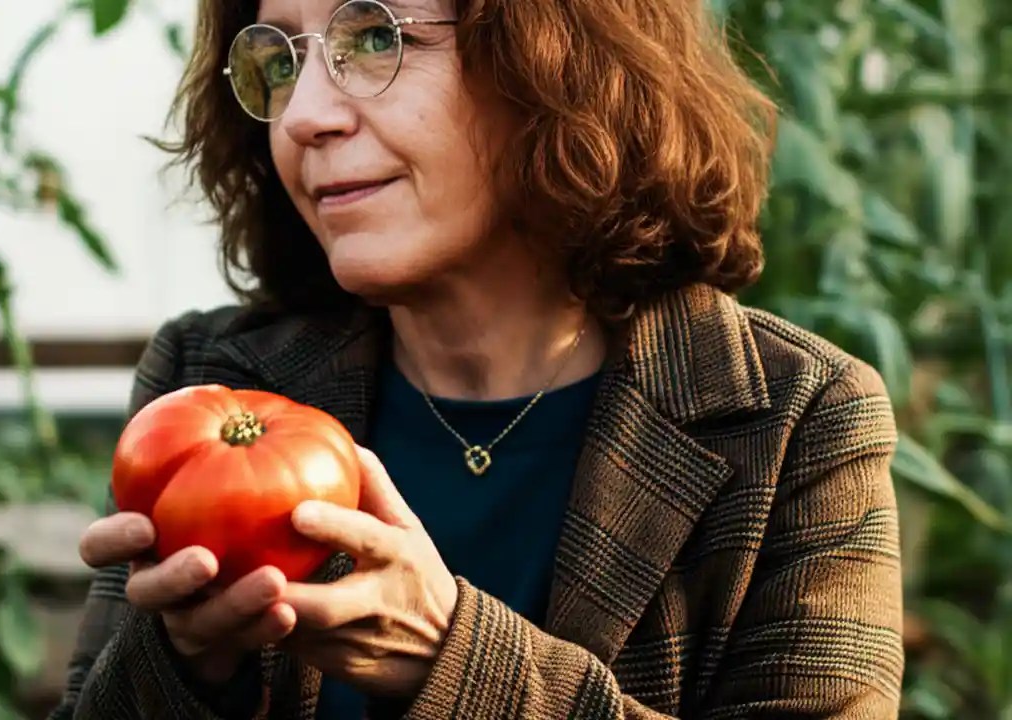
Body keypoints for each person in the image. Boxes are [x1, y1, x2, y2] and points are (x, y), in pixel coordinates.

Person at [51, 0, 904, 717]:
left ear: (563, 64)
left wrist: (454, 662)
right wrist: (185, 664)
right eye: (278, 61)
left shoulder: (799, 419)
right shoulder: (210, 380)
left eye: (378, 36)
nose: (306, 114)